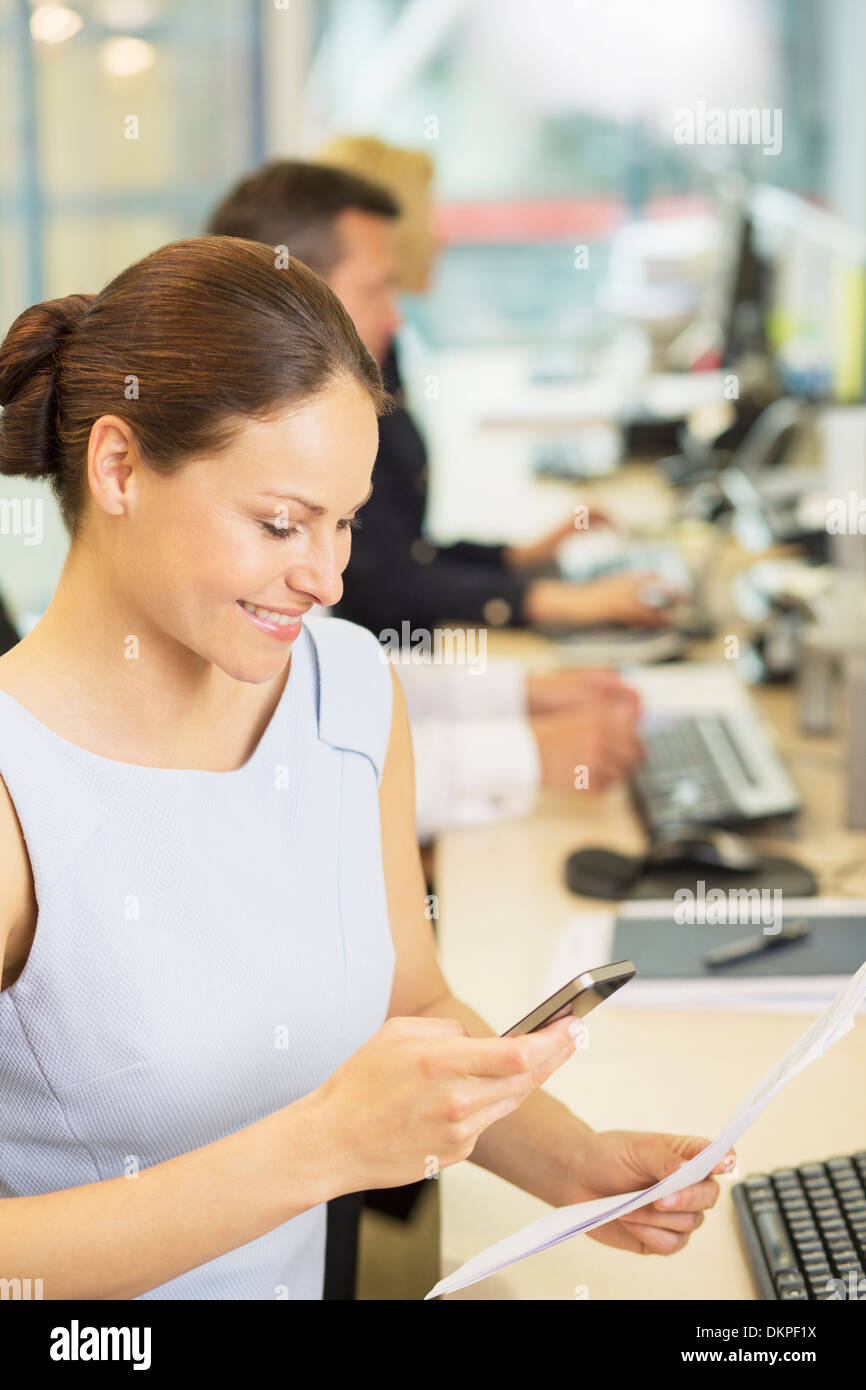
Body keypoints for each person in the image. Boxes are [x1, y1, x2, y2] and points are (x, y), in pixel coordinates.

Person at [0, 236, 731, 1299]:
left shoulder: (343, 685)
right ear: (117, 467)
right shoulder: (19, 796)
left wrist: (575, 1163)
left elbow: (413, 999)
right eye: (281, 523)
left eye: (344, 522)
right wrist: (318, 1149)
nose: (329, 577)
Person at [207, 159, 647, 843]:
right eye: (378, 288)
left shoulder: (289, 469)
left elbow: (334, 681)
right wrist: (528, 752)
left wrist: (518, 697)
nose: (396, 315)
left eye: (344, 524)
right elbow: (288, 794)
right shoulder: (224, 499)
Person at [207, 159, 674, 638]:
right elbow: (383, 584)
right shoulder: (262, 443)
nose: (395, 317)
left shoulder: (363, 381)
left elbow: (400, 554)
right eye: (376, 288)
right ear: (297, 292)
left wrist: (515, 561)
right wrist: (554, 607)